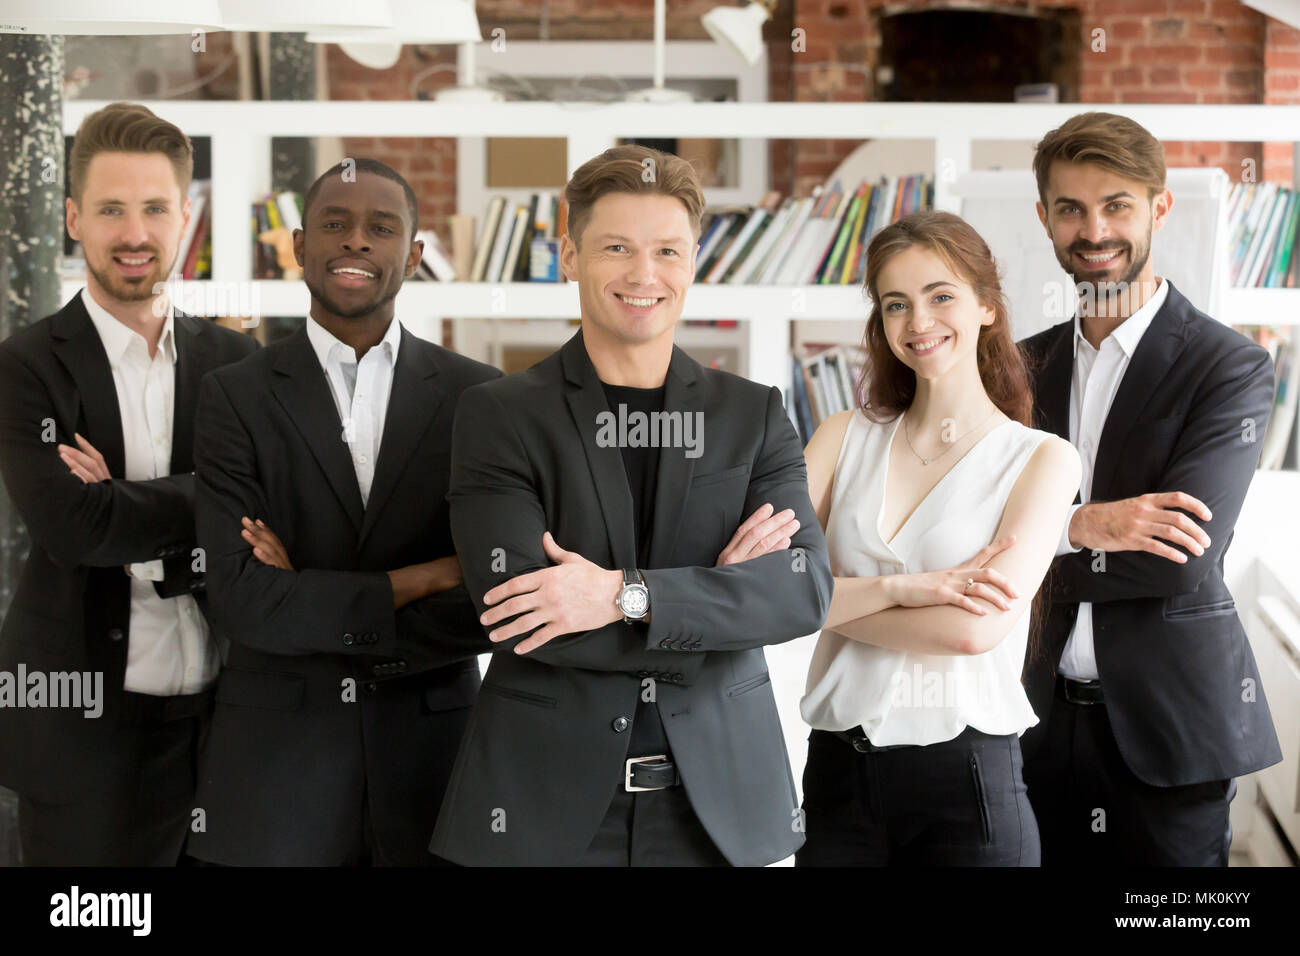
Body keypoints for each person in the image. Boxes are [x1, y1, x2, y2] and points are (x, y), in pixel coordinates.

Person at [429, 144, 833, 866]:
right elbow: (519, 613)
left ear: (694, 263)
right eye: (616, 247)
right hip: (541, 810)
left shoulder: (752, 414)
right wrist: (716, 609)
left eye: (668, 251)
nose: (644, 275)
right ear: (570, 257)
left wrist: (623, 595)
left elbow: (801, 592)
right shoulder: (500, 415)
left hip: (719, 813)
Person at [188, 159, 500, 865]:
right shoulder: (233, 395)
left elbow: (492, 599)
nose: (356, 241)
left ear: (414, 257)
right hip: (276, 775)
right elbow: (239, 599)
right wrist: (420, 579)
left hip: (435, 763)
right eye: (335, 223)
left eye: (380, 228)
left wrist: (304, 593)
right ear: (299, 246)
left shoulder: (479, 399)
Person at [1018, 111, 1283, 866]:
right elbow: (969, 527)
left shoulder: (1226, 367)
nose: (1093, 230)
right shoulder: (1019, 366)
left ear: (1159, 208)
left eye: (1116, 206)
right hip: (1031, 721)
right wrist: (1081, 526)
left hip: (1169, 731)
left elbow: (1178, 559)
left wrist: (1027, 546)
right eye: (1070, 208)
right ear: (1044, 219)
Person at [0, 102, 258, 864]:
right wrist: (206, 494)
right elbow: (75, 528)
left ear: (186, 215)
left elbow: (267, 522)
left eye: (153, 208)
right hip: (82, 732)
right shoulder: (26, 366)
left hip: (222, 727)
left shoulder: (237, 365)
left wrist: (125, 500)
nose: (135, 233)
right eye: (112, 209)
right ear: (75, 218)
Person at [797, 210, 1081, 866]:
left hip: (967, 785)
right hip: (837, 778)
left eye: (941, 296)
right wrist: (906, 588)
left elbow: (971, 631)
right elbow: (756, 586)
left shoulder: (1041, 459)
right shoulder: (842, 437)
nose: (918, 322)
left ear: (986, 306)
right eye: (896, 304)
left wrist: (820, 602)